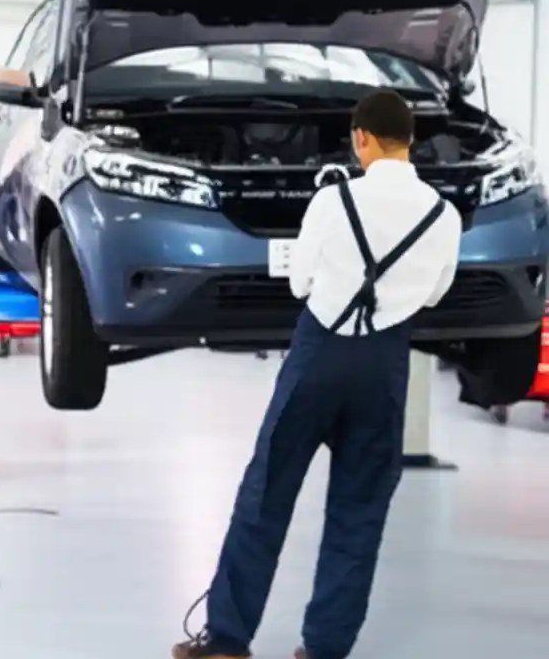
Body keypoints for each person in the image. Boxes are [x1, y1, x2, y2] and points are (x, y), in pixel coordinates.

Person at [172, 89, 462, 659]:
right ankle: (325, 648)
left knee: (266, 493)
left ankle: (228, 640)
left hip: (320, 352)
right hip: (384, 365)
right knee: (359, 510)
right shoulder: (443, 215)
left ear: (361, 138)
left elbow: (301, 283)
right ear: (410, 141)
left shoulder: (332, 203)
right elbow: (434, 292)